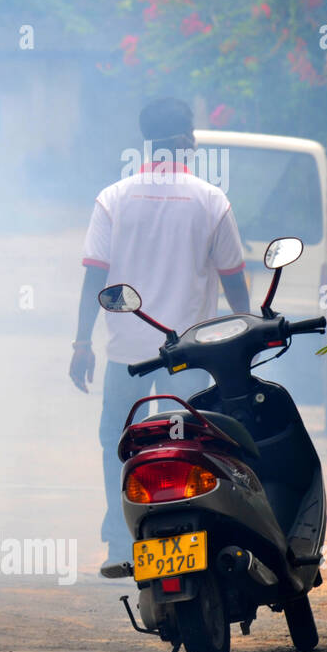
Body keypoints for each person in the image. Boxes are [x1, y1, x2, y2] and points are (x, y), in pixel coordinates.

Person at [69, 98, 251, 574]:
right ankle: (199, 534)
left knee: (121, 441)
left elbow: (95, 278)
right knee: (195, 442)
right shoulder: (211, 200)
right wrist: (246, 330)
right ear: (186, 140)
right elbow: (233, 279)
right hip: (190, 357)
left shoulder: (114, 198)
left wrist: (81, 342)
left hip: (126, 355)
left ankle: (119, 546)